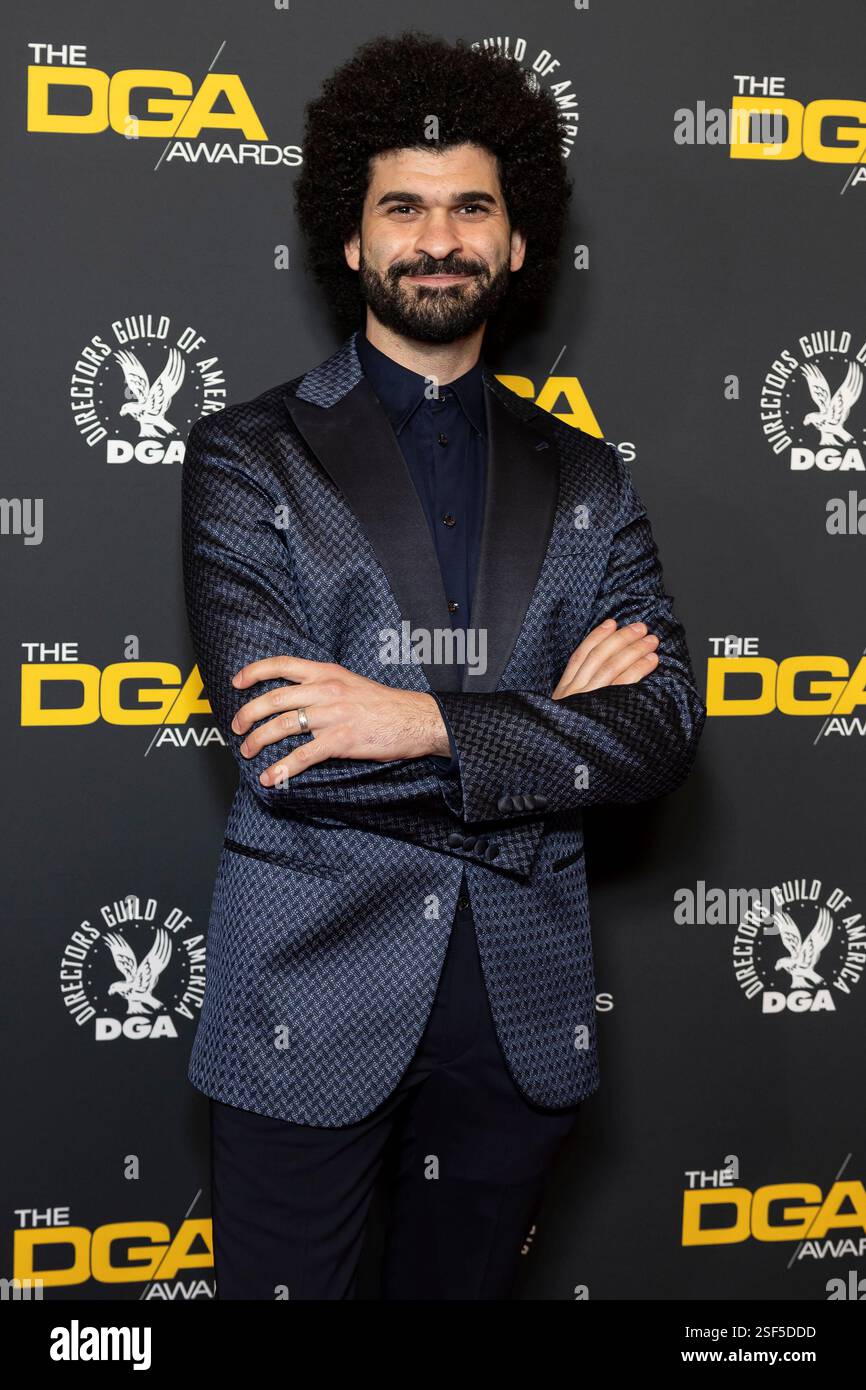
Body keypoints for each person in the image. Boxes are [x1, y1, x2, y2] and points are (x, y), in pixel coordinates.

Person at [181, 31, 705, 1300]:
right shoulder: (250, 455)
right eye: (401, 208)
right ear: (350, 242)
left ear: (517, 245)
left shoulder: (584, 473)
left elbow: (659, 725)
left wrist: (413, 722)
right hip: (306, 1002)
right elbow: (288, 751)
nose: (437, 237)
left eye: (471, 206)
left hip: (517, 1019)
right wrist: (547, 738)